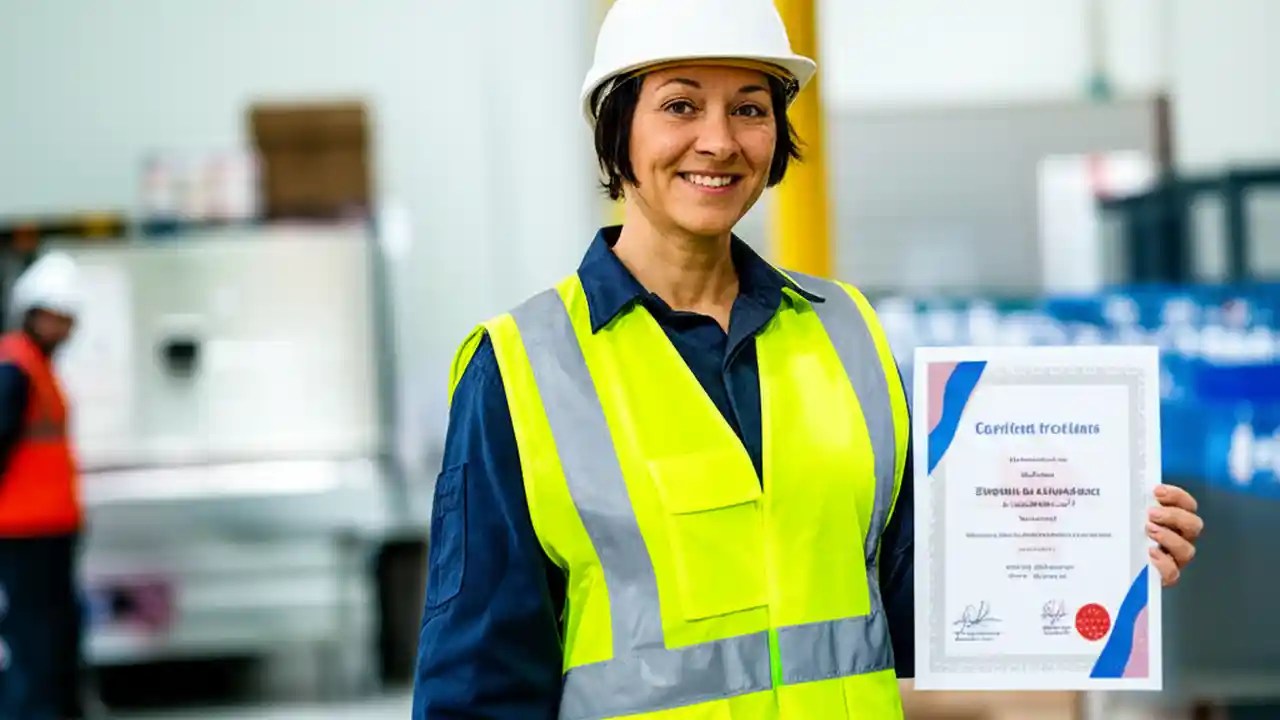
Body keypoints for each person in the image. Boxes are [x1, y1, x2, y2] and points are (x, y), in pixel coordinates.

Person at [412, 1, 1205, 717]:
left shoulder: (847, 332)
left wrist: (1099, 549)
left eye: (749, 109)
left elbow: (928, 608)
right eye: (680, 104)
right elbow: (477, 688)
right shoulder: (520, 368)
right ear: (616, 129)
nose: (718, 141)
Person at [0, 251, 90, 720]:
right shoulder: (14, 368)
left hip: (49, 528)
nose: (64, 330)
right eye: (57, 318)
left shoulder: (36, 366)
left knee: (56, 637)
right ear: (33, 314)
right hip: (23, 531)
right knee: (33, 642)